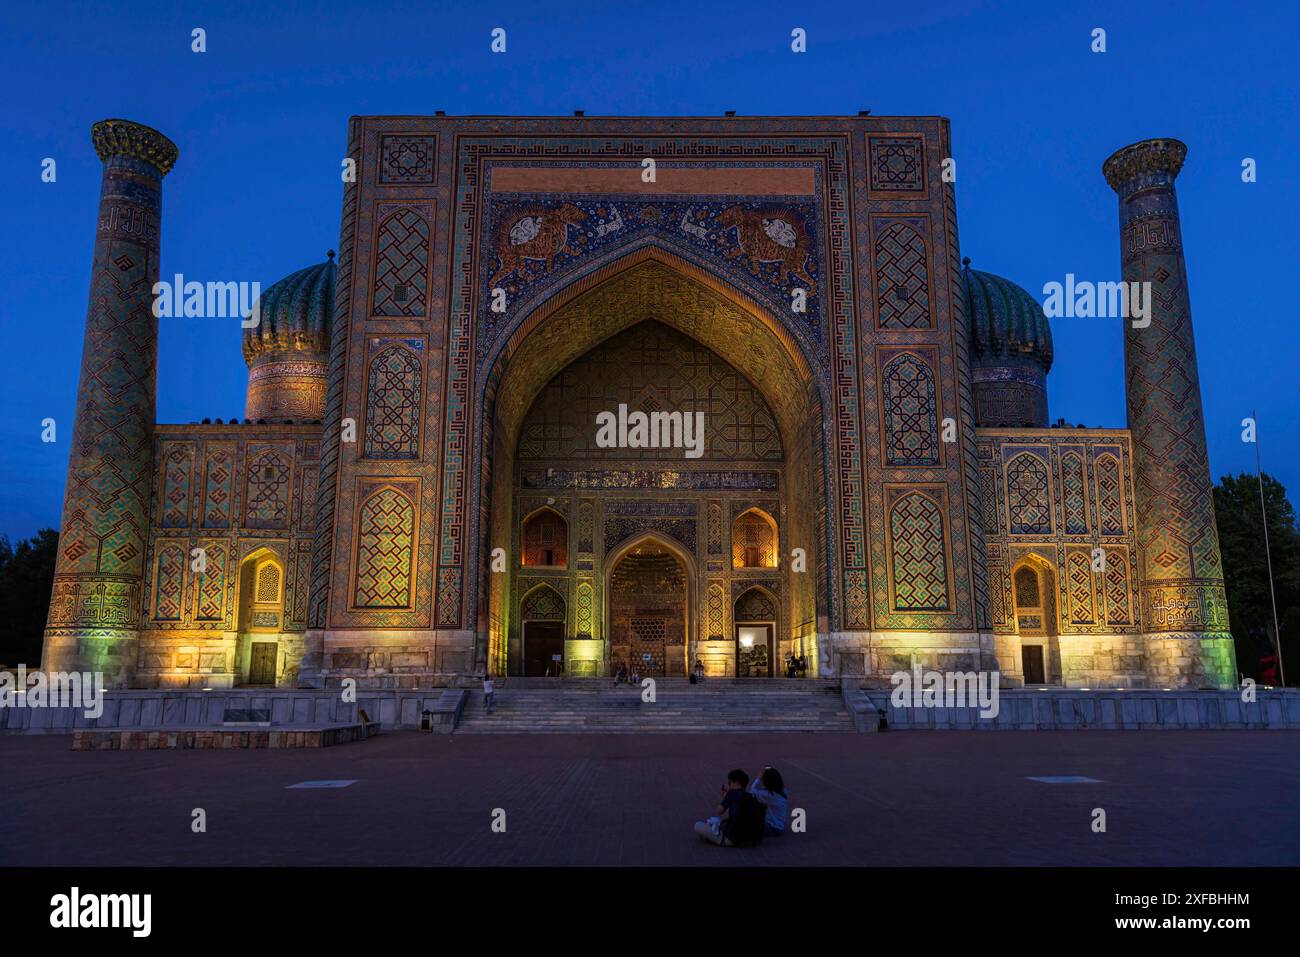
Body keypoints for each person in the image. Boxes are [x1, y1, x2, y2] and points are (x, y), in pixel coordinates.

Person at [694, 769, 766, 847]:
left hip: (732, 838)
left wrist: (724, 797)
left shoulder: (732, 794)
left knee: (698, 825)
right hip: (750, 838)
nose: (729, 785)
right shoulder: (750, 796)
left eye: (730, 783)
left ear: (736, 782)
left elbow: (719, 811)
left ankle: (711, 838)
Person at [748, 766, 789, 836]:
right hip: (778, 825)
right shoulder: (783, 790)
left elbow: (752, 790)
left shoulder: (769, 795)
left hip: (772, 827)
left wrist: (758, 779)